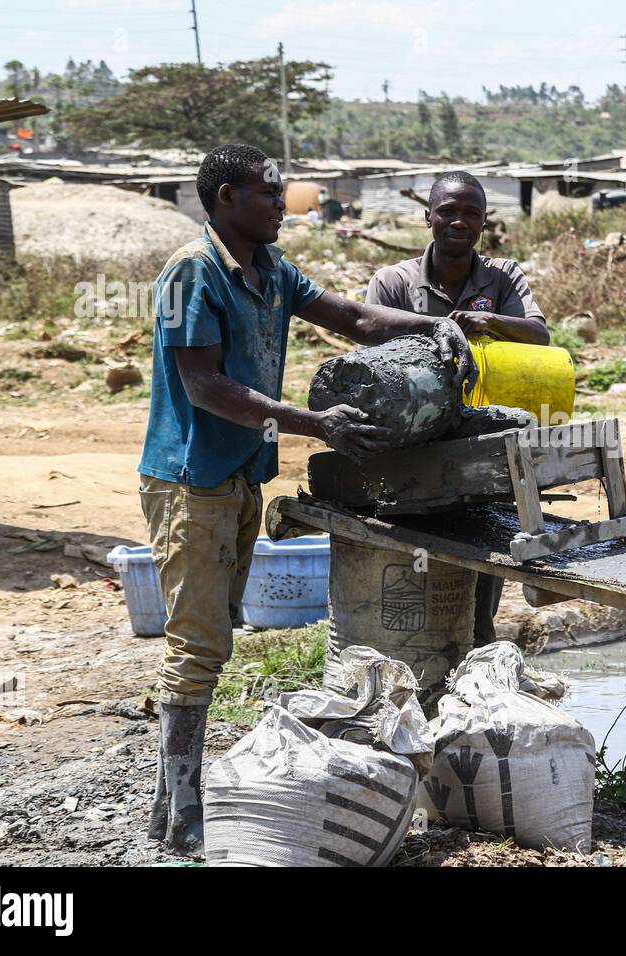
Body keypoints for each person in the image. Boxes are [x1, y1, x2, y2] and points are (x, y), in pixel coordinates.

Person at [139, 143, 472, 856]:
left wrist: (437, 327)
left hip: (235, 478)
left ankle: (169, 808)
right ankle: (184, 810)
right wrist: (312, 422)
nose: (281, 203)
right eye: (268, 192)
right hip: (189, 480)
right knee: (197, 646)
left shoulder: (270, 272)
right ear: (226, 197)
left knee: (216, 634)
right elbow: (204, 385)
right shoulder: (188, 274)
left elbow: (355, 319)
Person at [365, 170, 549, 650]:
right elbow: (369, 358)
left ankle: (475, 681)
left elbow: (540, 335)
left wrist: (488, 320)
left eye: (471, 212)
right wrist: (434, 331)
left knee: (482, 581)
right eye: (448, 211)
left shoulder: (503, 278)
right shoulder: (394, 283)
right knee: (412, 579)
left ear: (485, 222)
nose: (459, 221)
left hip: (484, 451)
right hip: (413, 452)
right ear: (428, 217)